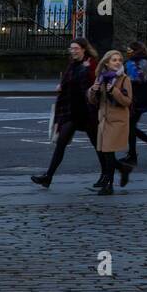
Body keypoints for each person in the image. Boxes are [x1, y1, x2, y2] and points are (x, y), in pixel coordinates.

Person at [31, 38, 99, 189]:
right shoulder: (72, 64)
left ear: (84, 49)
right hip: (72, 111)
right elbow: (68, 81)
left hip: (87, 112)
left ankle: (116, 169)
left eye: (76, 48)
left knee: (98, 146)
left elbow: (93, 85)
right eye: (71, 48)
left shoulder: (91, 64)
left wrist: (85, 70)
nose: (73, 51)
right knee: (60, 144)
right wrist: (61, 86)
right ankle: (48, 177)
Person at [87, 50, 134, 195]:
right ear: (106, 63)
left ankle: (109, 185)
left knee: (108, 153)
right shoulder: (101, 77)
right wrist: (93, 91)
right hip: (104, 120)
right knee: (107, 154)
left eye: (119, 60)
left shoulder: (124, 79)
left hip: (117, 121)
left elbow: (127, 101)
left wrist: (114, 91)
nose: (118, 62)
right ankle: (123, 169)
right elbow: (94, 101)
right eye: (114, 60)